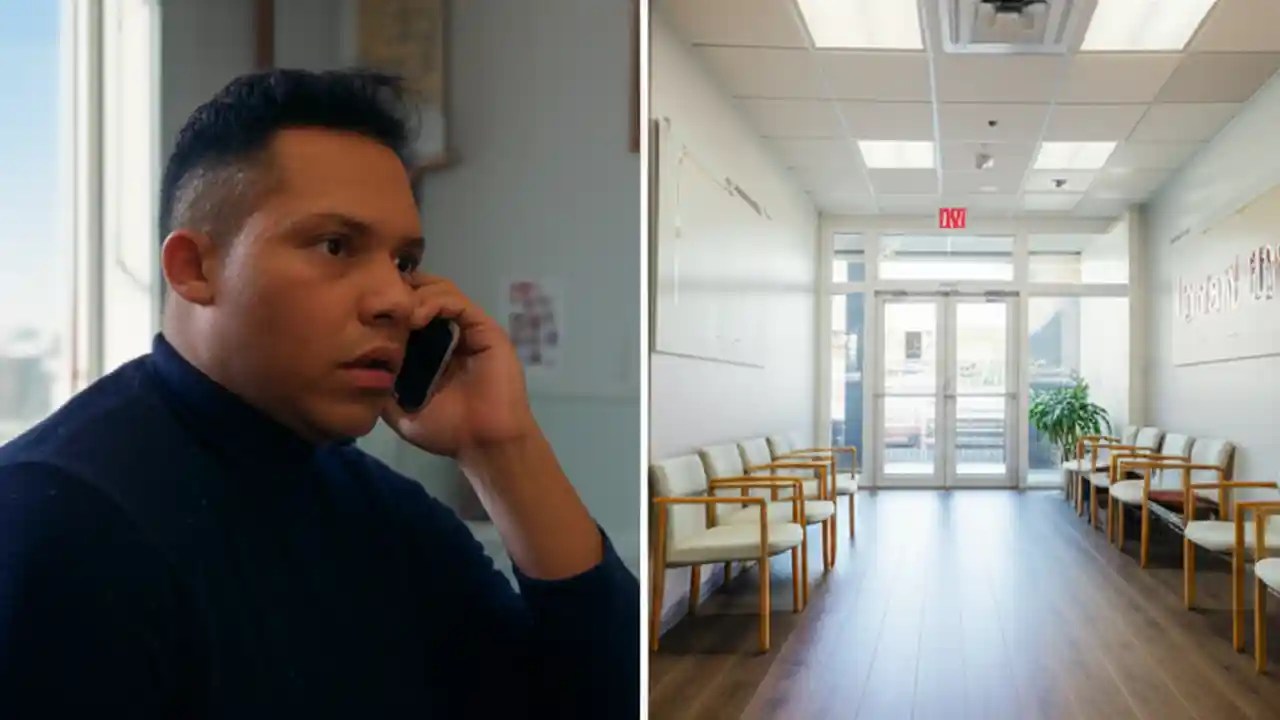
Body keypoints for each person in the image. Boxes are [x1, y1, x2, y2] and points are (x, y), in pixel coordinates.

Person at [0, 69, 638, 717]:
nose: (395, 298)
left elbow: (596, 701)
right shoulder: (57, 520)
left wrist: (502, 448)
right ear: (194, 268)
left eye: (404, 262)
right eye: (336, 245)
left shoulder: (381, 510)